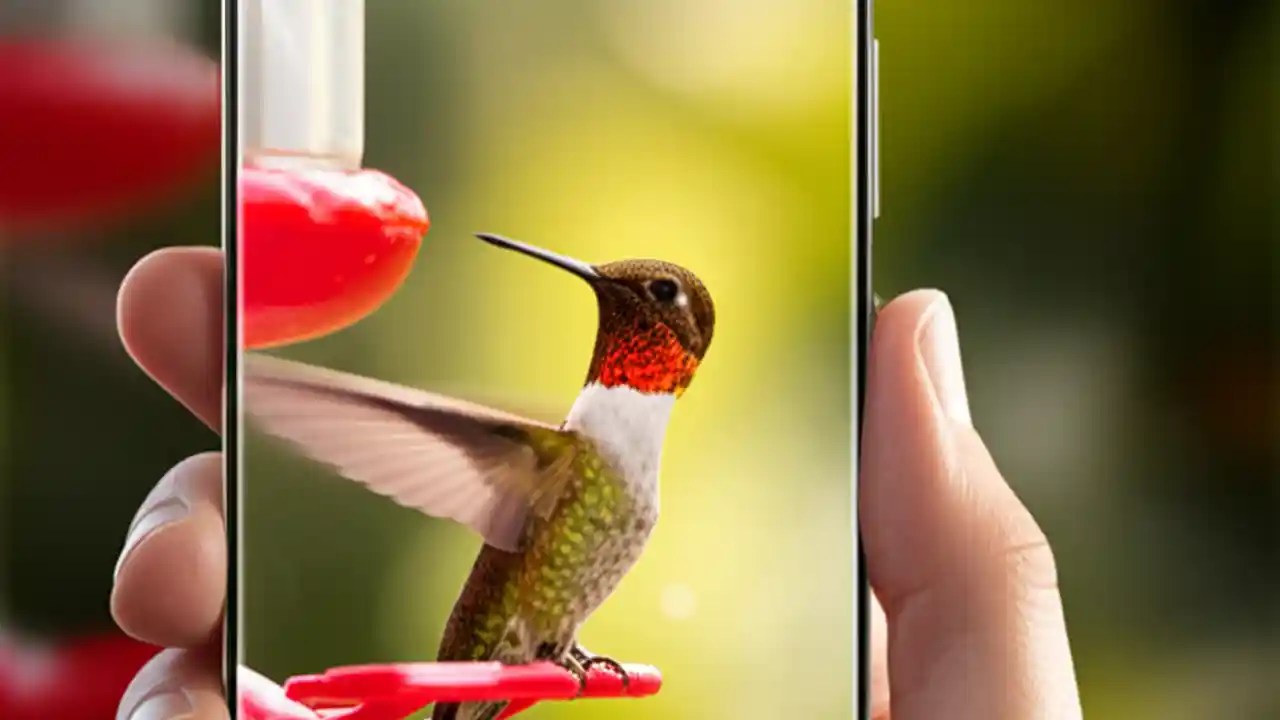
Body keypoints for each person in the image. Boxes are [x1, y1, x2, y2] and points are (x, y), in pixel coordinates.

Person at [109, 247, 1084, 720]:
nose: (622, 291)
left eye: (656, 294)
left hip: (529, 635)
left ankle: (559, 651)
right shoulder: (555, 449)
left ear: (679, 343)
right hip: (496, 630)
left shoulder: (601, 454)